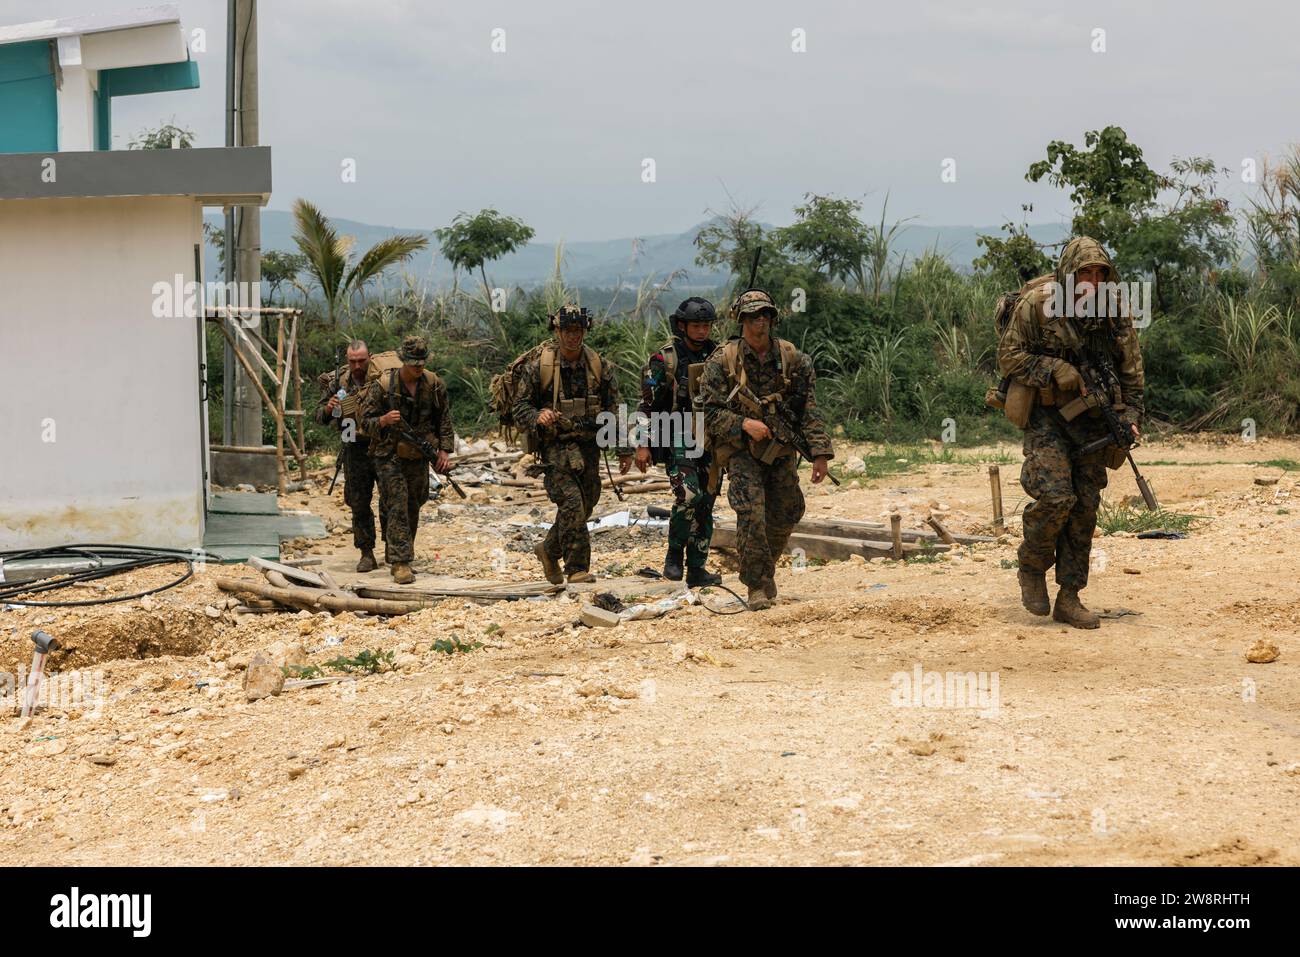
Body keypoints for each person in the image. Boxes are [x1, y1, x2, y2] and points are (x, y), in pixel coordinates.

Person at [997, 236, 1145, 629]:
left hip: (1095, 419)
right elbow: (1008, 356)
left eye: (1101, 273)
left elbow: (1132, 372)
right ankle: (1031, 565)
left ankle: (1070, 596)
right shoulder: (1039, 304)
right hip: (1047, 417)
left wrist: (1130, 416)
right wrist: (1055, 370)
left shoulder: (1114, 310)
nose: (1093, 281)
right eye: (1085, 273)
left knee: (1084, 508)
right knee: (1055, 497)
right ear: (1069, 273)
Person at [700, 288, 833, 610]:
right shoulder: (723, 361)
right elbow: (708, 411)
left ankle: (765, 566)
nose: (760, 322)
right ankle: (756, 584)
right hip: (742, 450)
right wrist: (744, 425)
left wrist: (819, 453)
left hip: (781, 449)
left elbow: (808, 410)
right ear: (741, 320)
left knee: (789, 510)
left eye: (765, 315)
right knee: (751, 513)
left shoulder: (793, 359)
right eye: (752, 316)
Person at [511, 306, 632, 584]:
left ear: (584, 331)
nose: (573, 336)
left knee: (587, 504)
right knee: (572, 504)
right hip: (555, 448)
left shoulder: (599, 365)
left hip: (589, 446)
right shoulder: (540, 367)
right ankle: (577, 568)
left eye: (577, 330)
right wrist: (538, 415)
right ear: (557, 331)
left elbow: (615, 408)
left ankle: (549, 549)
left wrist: (624, 448)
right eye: (567, 330)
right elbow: (520, 407)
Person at [633, 297, 722, 585]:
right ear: (682, 325)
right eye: (696, 325)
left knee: (707, 501)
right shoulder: (664, 359)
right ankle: (674, 554)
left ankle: (697, 568)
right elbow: (646, 404)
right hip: (676, 435)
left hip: (710, 437)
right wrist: (643, 444)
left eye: (706, 325)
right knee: (688, 495)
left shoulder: (719, 355)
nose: (702, 331)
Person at [358, 335, 455, 584]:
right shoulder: (383, 385)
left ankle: (397, 549)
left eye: (421, 363)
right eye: (413, 363)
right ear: (403, 361)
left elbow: (444, 419)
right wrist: (382, 421)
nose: (417, 368)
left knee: (414, 502)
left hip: (417, 456)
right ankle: (401, 562)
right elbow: (364, 423)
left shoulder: (434, 385)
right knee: (399, 502)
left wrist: (444, 451)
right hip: (388, 454)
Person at [315, 339, 384, 572]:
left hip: (382, 446)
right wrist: (328, 407)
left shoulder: (382, 379)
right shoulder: (338, 382)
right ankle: (366, 552)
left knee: (391, 501)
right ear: (347, 360)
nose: (357, 366)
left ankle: (396, 552)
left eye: (361, 361)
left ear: (370, 357)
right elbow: (319, 415)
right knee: (358, 503)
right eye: (352, 361)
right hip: (353, 448)